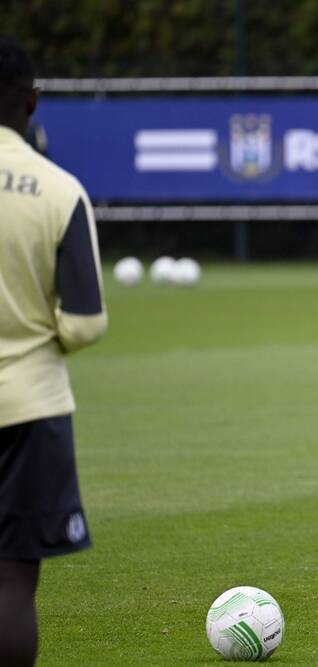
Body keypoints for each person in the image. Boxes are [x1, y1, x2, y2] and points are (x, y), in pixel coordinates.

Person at [0, 39, 106, 666]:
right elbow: (86, 322)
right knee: (12, 582)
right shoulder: (59, 190)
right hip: (29, 407)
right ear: (33, 100)